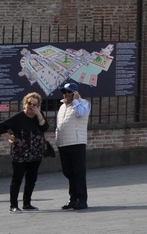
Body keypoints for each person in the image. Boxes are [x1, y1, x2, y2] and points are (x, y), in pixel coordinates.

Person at [0, 91, 49, 213]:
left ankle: (27, 203)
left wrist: (39, 115)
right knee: (17, 179)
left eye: (35, 104)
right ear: (25, 103)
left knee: (31, 179)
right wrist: (9, 137)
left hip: (36, 153)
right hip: (20, 154)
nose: (32, 106)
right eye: (30, 103)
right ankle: (13, 205)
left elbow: (45, 128)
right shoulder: (18, 117)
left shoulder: (39, 116)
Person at [56, 80, 91, 210]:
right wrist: (57, 139)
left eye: (68, 92)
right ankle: (73, 198)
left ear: (75, 93)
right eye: (64, 92)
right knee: (68, 172)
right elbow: (59, 124)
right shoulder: (62, 106)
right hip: (63, 143)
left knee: (79, 172)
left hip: (77, 142)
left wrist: (76, 100)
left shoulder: (83, 104)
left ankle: (82, 199)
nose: (65, 95)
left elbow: (81, 114)